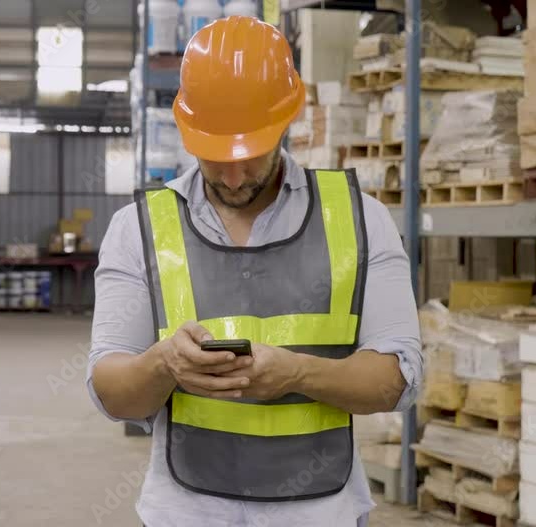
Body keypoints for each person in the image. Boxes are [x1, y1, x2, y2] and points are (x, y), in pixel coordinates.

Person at [87, 16, 422, 527]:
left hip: (320, 510)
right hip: (186, 510)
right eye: (215, 154)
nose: (234, 175)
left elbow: (398, 379)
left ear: (288, 119)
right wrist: (162, 364)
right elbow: (111, 392)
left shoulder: (359, 218)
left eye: (251, 152)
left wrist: (299, 372)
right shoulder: (138, 228)